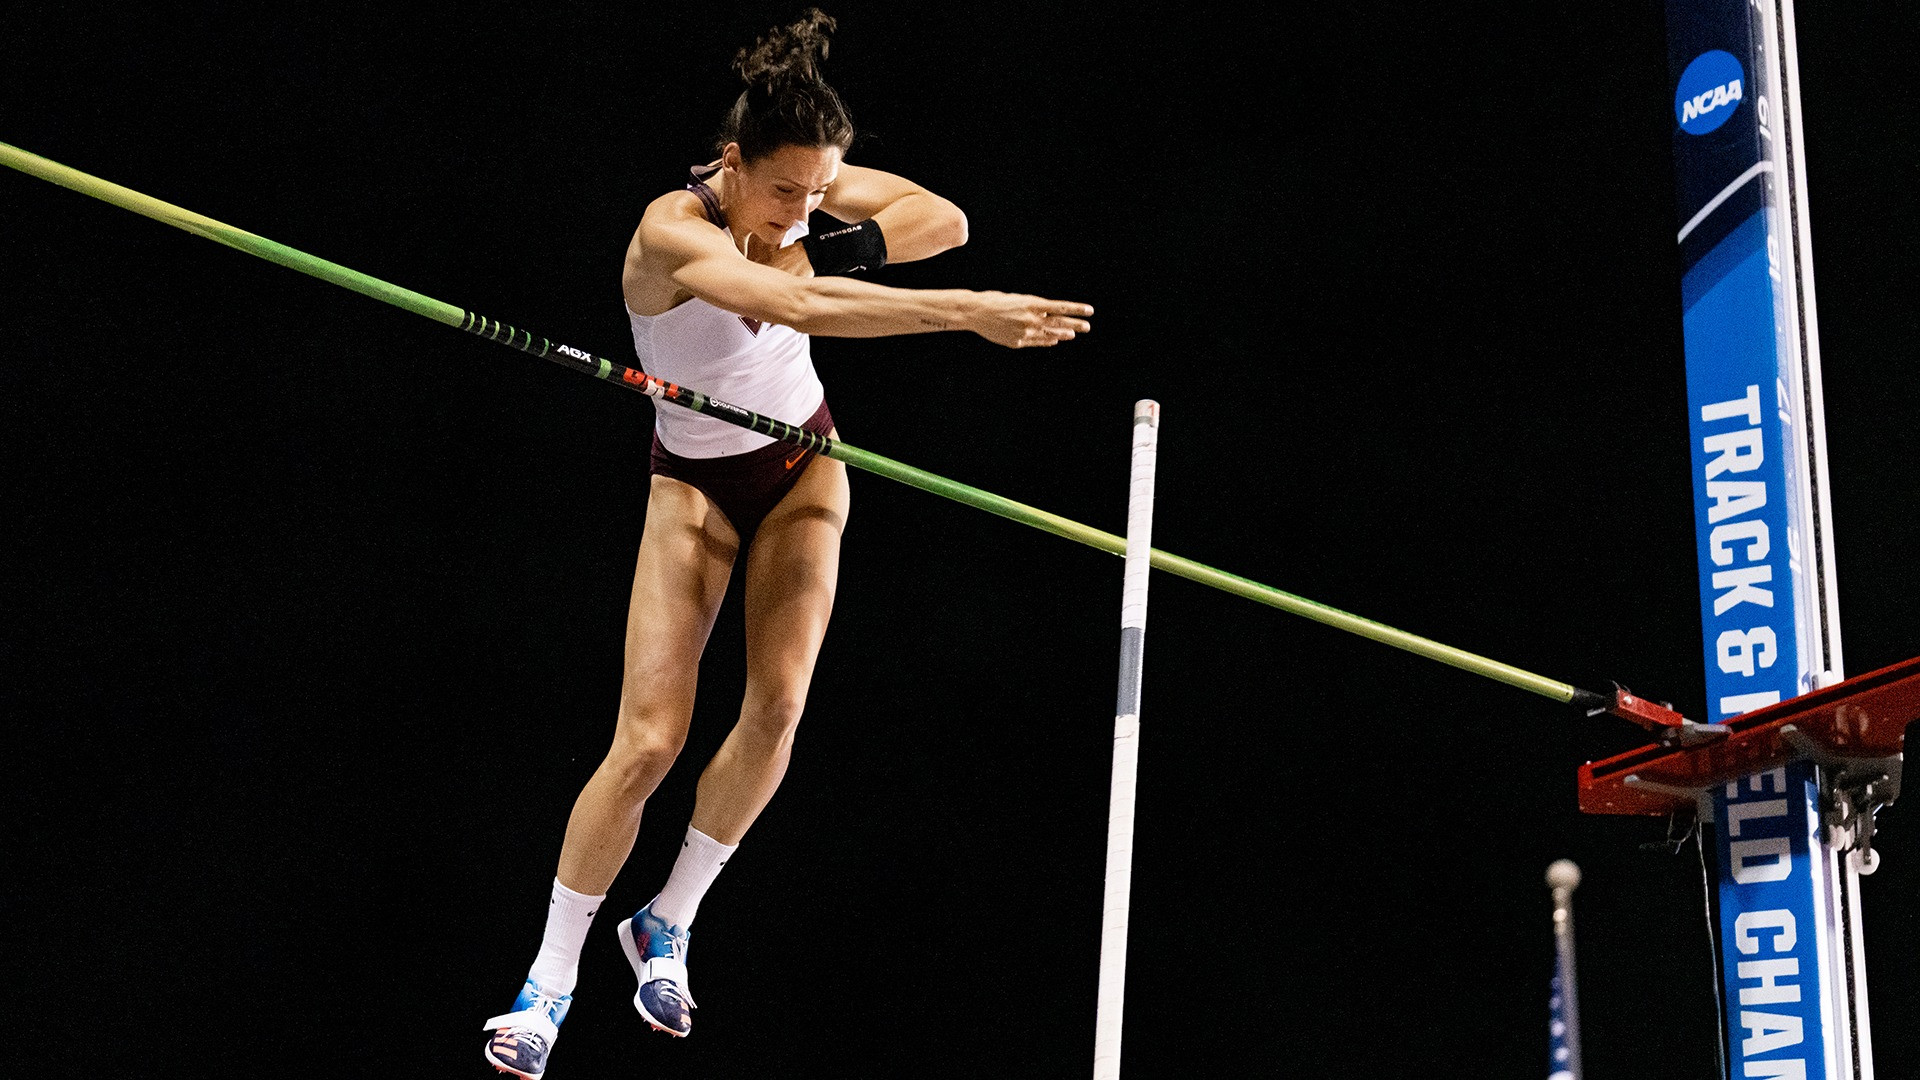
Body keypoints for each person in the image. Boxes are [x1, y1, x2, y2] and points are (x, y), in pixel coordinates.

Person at [481, 9, 1093, 1077]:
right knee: (650, 742)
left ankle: (664, 923)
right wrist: (962, 315)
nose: (801, 206)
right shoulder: (672, 231)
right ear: (731, 162)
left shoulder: (807, 195)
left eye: (820, 188)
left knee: (778, 707)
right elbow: (779, 301)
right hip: (696, 489)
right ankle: (549, 982)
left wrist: (834, 229)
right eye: (783, 191)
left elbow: (939, 217)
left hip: (806, 461)